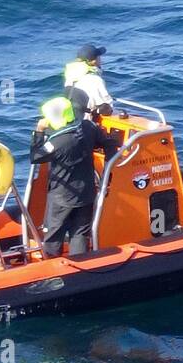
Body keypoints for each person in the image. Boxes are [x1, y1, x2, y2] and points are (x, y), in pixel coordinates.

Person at [30, 88, 120, 257]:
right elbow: (109, 144)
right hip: (86, 194)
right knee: (80, 234)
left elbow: (35, 156)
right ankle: (80, 266)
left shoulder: (57, 141)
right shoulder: (88, 127)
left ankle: (53, 270)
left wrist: (39, 131)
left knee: (53, 237)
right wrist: (107, 175)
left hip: (62, 198)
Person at [65, 44, 113, 116]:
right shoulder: (95, 80)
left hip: (70, 116)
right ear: (94, 61)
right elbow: (108, 109)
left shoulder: (71, 75)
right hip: (84, 122)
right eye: (99, 57)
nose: (101, 60)